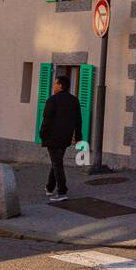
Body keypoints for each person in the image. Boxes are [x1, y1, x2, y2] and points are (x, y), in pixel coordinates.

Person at [39, 73, 82, 202]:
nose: (53, 86)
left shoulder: (52, 100)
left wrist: (42, 133)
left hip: (52, 137)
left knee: (57, 164)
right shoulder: (74, 100)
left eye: (55, 83)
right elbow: (78, 121)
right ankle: (49, 187)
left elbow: (47, 119)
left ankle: (62, 191)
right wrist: (78, 136)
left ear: (60, 85)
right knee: (56, 162)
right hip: (65, 138)